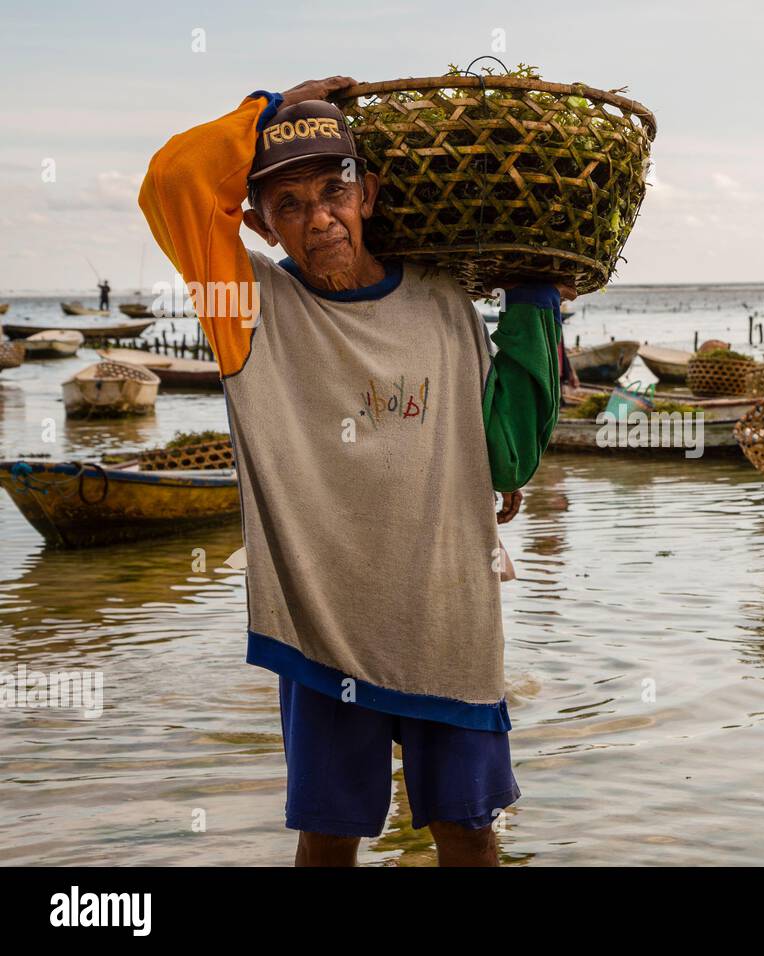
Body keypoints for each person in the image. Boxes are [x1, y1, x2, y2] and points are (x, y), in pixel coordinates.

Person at [139, 77, 569, 867]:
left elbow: (506, 455)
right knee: (331, 837)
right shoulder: (245, 309)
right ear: (261, 225)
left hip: (450, 623)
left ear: (367, 194)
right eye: (289, 205)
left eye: (333, 192)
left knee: (469, 829)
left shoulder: (444, 304)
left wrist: (537, 308)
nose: (318, 219)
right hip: (324, 630)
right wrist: (264, 109)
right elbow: (171, 183)